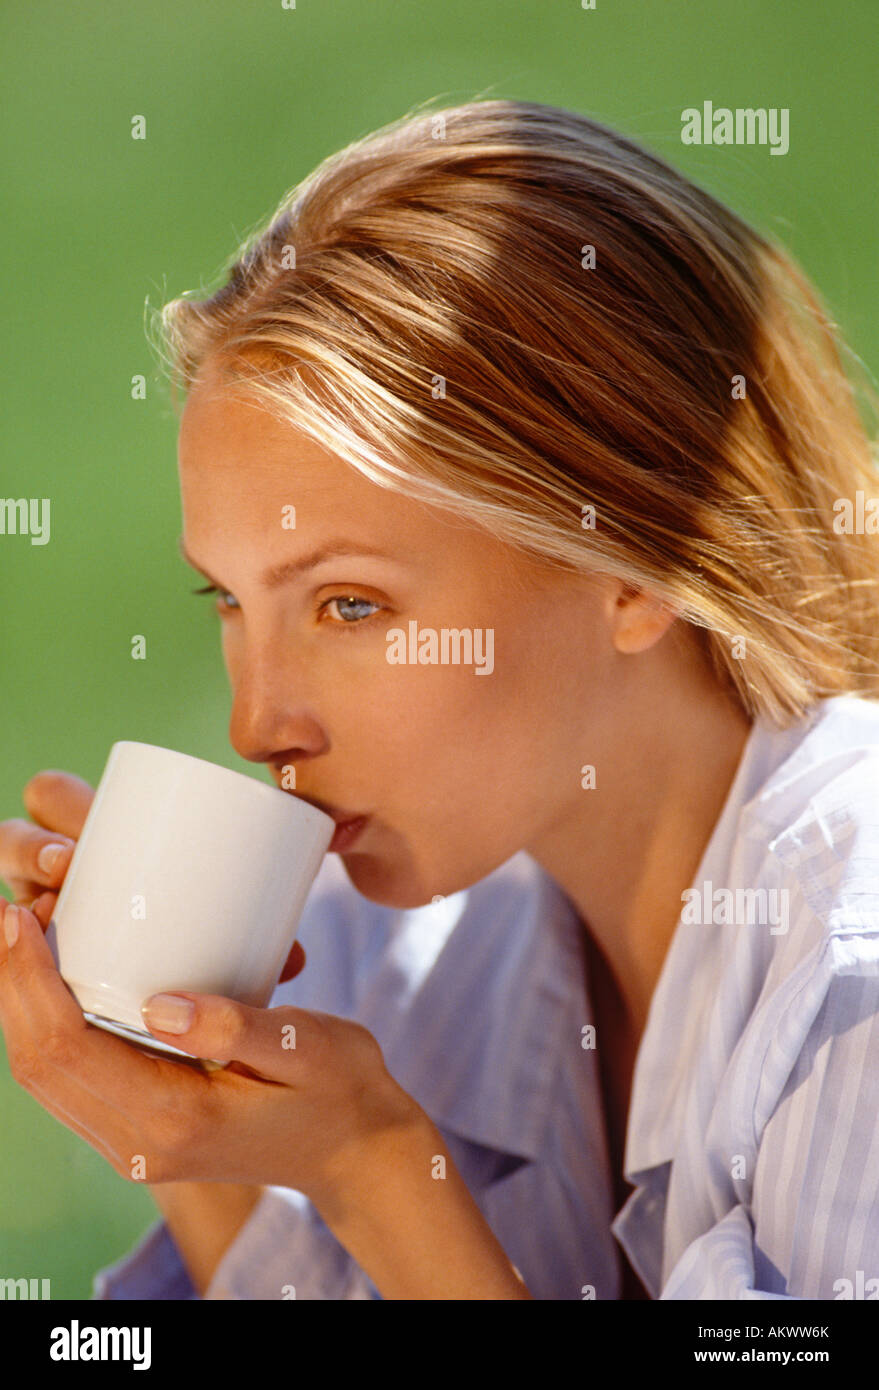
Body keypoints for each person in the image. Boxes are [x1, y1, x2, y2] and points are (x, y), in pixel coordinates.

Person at [1, 97, 878, 1300]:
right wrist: (181, 1117)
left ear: (636, 564)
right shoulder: (382, 947)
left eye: (350, 606)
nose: (259, 726)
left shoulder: (852, 981)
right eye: (229, 600)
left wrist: (371, 1167)